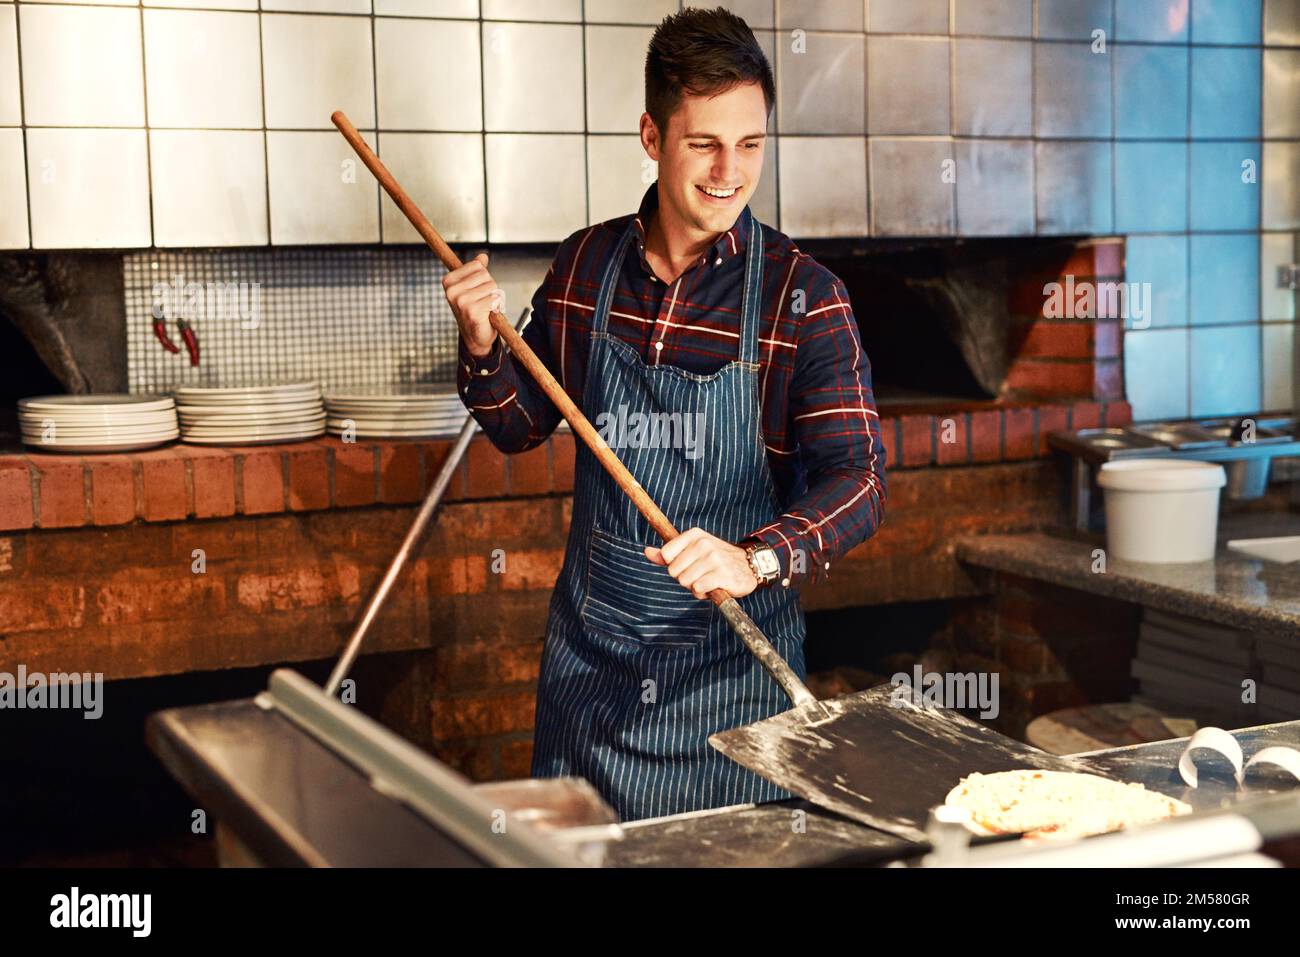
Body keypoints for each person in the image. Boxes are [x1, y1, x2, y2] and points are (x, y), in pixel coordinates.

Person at [443, 6, 886, 822]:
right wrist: (481, 343)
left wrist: (754, 560)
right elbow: (517, 422)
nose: (730, 172)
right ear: (652, 135)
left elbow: (859, 482)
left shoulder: (802, 297)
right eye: (704, 143)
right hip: (590, 686)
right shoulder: (586, 266)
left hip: (732, 704)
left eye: (750, 144)